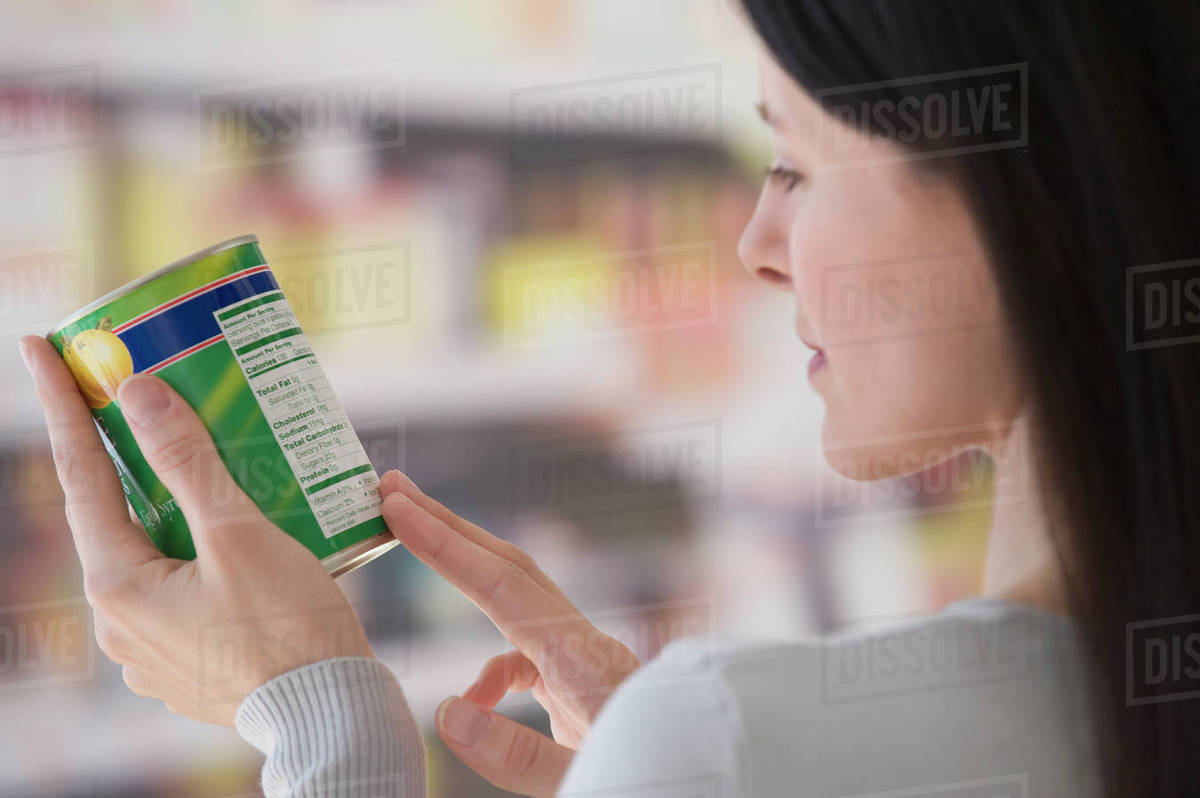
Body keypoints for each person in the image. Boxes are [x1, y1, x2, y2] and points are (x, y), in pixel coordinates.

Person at [19, 1, 1200, 796]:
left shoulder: (728, 739)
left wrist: (315, 716)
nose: (755, 241)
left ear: (1022, 198)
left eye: (793, 160)